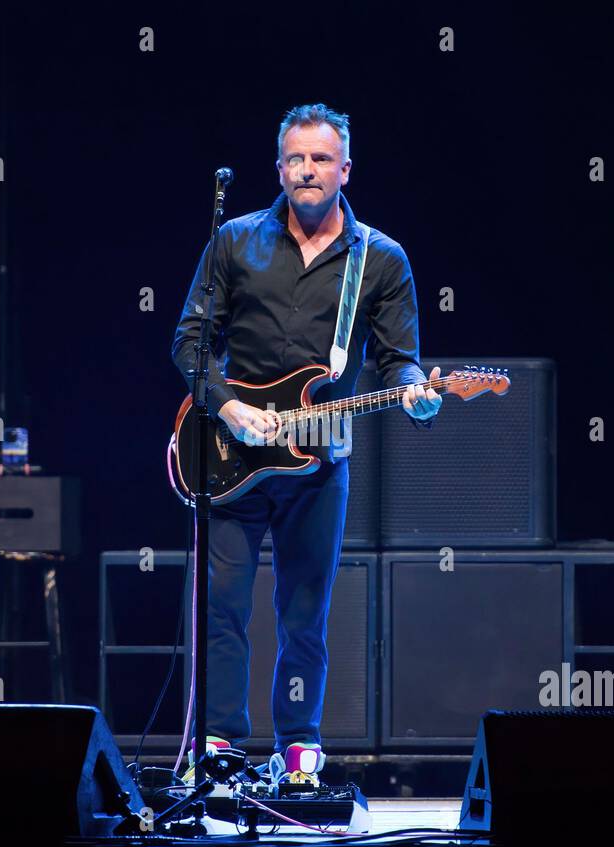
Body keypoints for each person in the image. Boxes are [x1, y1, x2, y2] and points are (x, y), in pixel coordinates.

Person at [171, 103, 441, 785]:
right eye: (297, 158)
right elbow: (189, 343)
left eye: (321, 159)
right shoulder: (235, 240)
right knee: (223, 610)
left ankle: (298, 748)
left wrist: (418, 392)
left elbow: (399, 359)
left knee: (304, 614)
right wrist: (228, 408)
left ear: (345, 168)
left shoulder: (379, 259)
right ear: (280, 167)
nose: (308, 170)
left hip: (319, 462)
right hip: (230, 457)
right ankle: (222, 746)